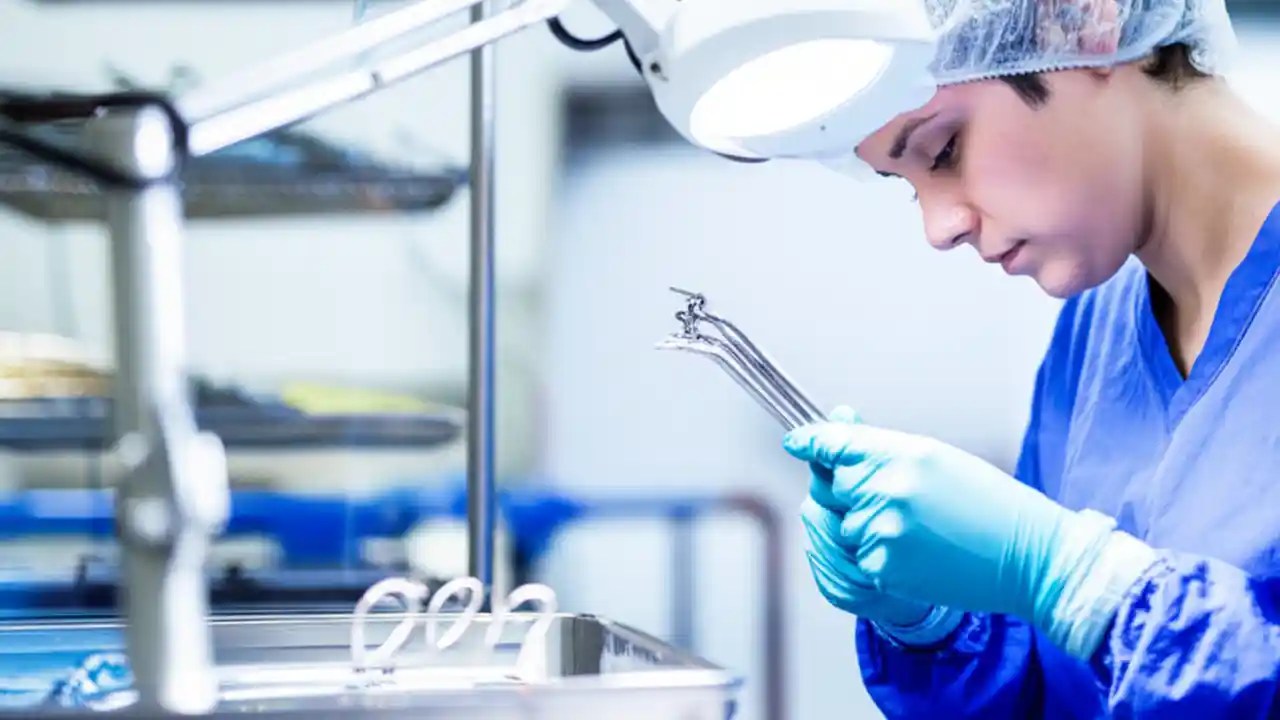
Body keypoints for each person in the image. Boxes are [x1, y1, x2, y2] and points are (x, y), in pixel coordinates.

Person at [783, 0, 1280, 716]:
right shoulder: (1098, 330)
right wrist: (939, 624)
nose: (939, 225)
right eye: (906, 185)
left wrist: (1092, 587)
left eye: (944, 150)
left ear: (1084, 19)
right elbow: (1069, 693)